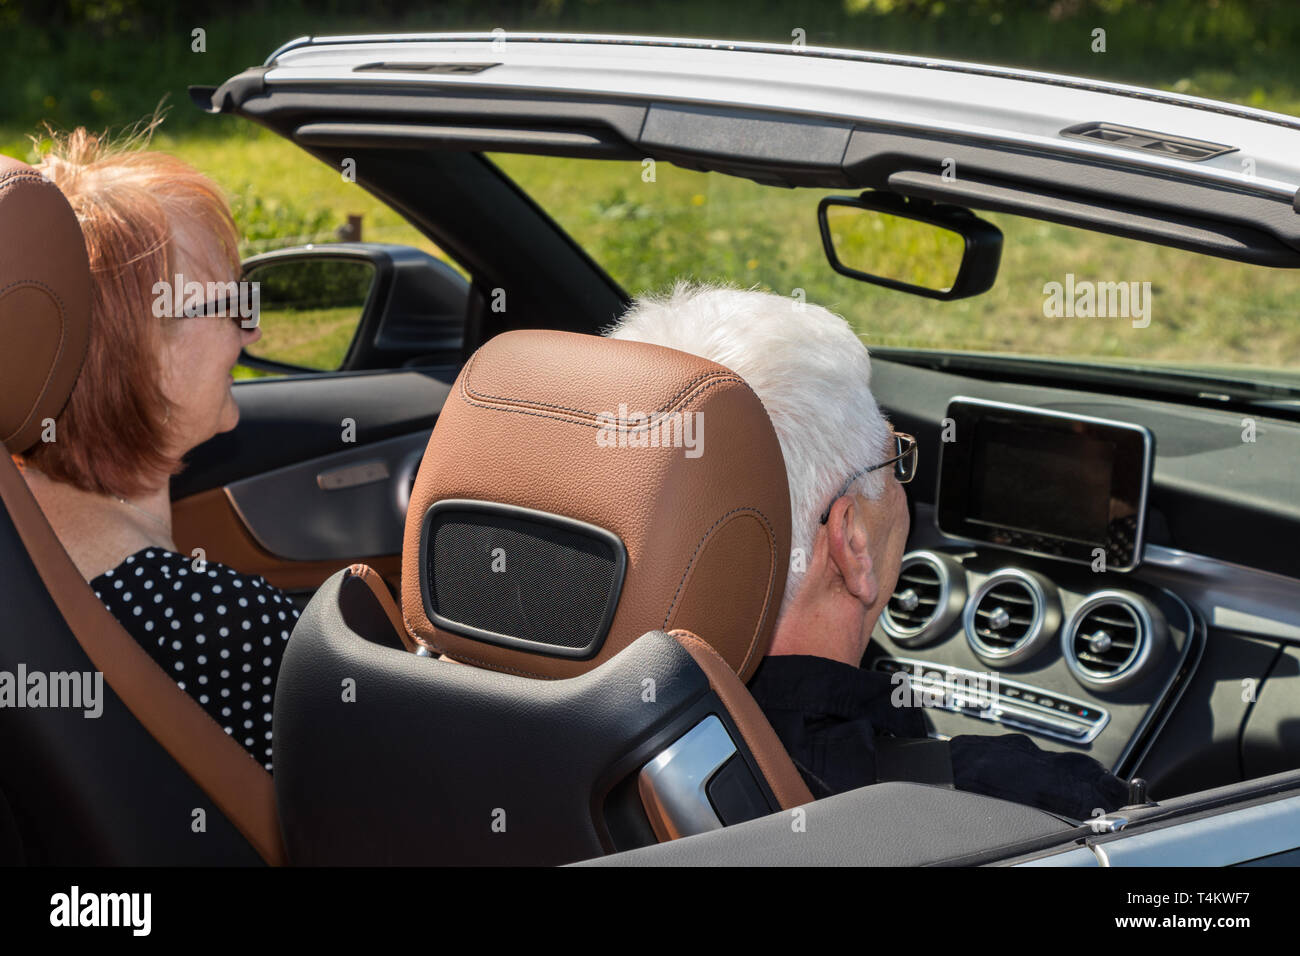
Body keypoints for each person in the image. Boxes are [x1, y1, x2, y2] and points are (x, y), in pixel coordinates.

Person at [606, 281, 1128, 819]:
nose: (902, 480)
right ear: (851, 541)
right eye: (894, 458)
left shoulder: (543, 706)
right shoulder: (1017, 804)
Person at [13, 123, 298, 771]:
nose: (250, 333)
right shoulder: (218, 626)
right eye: (232, 301)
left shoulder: (23, 573)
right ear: (134, 350)